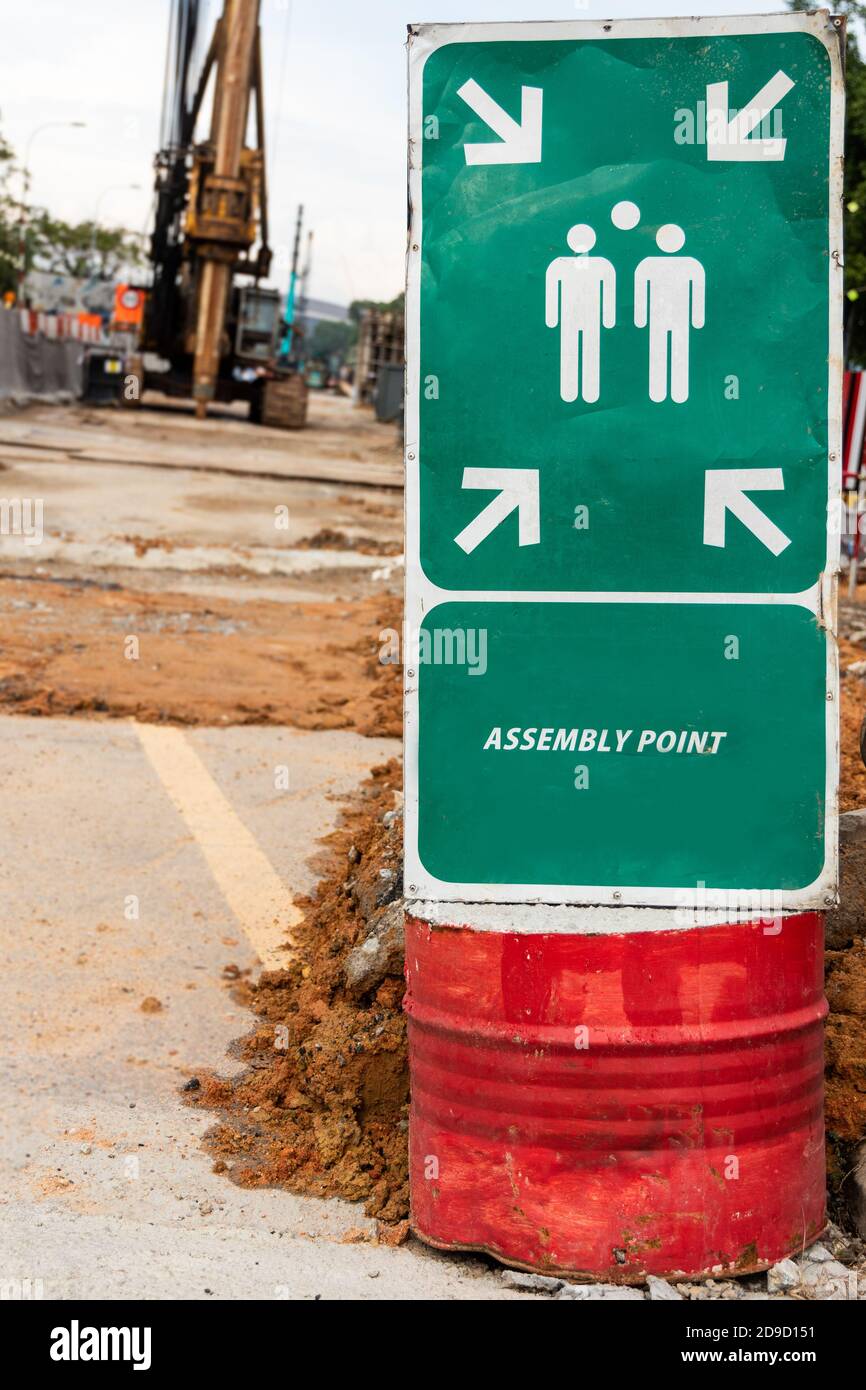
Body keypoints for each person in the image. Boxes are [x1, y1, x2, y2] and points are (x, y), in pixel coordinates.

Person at [634, 224, 705, 404]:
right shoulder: (650, 265)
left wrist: (641, 319)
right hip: (663, 317)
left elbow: (697, 294)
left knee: (675, 351)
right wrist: (697, 319)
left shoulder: (689, 266)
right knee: (665, 351)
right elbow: (641, 292)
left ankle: (674, 391)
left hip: (674, 317)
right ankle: (662, 391)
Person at [545, 224, 616, 404]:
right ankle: (571, 391)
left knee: (588, 351)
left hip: (589, 317)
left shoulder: (602, 265)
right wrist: (552, 318)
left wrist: (608, 318)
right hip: (571, 317)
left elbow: (608, 293)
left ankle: (588, 392)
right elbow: (553, 292)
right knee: (571, 351)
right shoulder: (559, 266)